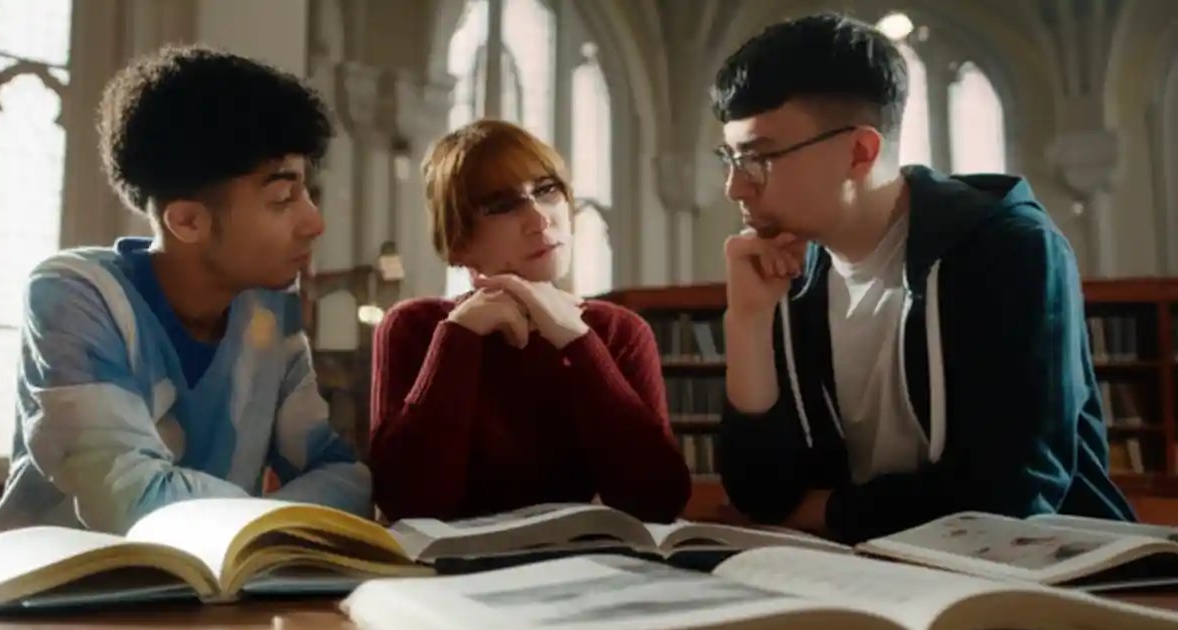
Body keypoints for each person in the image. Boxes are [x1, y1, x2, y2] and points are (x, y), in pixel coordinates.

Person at [711, 13, 1135, 544]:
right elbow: (761, 494)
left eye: (758, 158)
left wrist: (826, 510)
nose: (734, 188)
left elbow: (1010, 495)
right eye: (728, 157)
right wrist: (748, 321)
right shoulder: (788, 271)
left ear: (859, 152)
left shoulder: (1008, 248)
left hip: (1057, 580)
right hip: (875, 576)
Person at [0, 45, 371, 537]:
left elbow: (345, 479)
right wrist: (280, 516)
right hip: (48, 600)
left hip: (204, 602)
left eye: (306, 192)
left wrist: (252, 521)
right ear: (187, 220)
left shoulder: (270, 309)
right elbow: (133, 505)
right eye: (282, 198)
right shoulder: (75, 294)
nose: (314, 221)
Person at [368, 119, 692, 522]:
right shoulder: (415, 327)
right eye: (503, 205)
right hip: (447, 572)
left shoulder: (616, 331)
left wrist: (577, 340)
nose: (539, 219)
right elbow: (408, 505)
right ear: (459, 241)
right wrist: (458, 338)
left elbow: (657, 501)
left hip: (579, 567)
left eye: (547, 190)